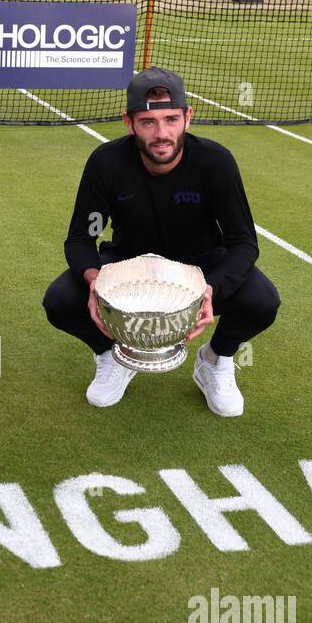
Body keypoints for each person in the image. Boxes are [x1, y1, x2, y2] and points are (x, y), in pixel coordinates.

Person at [43, 67, 279, 417]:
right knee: (61, 300)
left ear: (187, 117)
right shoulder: (106, 164)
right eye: (148, 122)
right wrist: (94, 280)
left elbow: (244, 243)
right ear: (129, 122)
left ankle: (215, 360)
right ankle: (112, 356)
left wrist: (209, 288)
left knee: (262, 300)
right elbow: (81, 238)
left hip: (201, 265)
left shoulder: (216, 163)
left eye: (171, 119)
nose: (161, 133)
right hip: (129, 268)